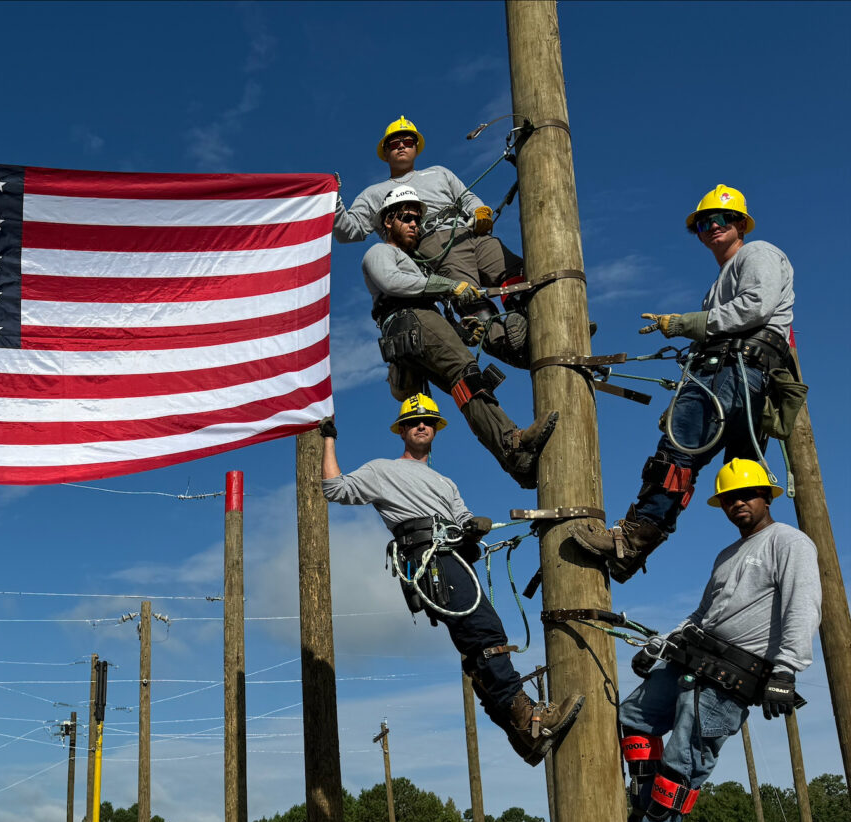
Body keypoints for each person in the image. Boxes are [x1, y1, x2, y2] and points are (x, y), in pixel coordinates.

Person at [585, 459, 821, 822]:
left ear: (767, 496)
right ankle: (643, 810)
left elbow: (802, 606)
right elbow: (704, 615)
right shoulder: (728, 554)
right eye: (729, 499)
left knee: (683, 764)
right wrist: (659, 648)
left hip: (730, 676)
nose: (738, 504)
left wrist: (786, 669)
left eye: (747, 495)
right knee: (632, 719)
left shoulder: (790, 543)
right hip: (690, 657)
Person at [322, 399, 583, 764]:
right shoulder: (381, 470)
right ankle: (529, 718)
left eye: (428, 421)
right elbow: (334, 489)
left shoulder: (446, 483)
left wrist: (474, 527)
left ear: (435, 429)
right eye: (413, 422)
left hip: (453, 559)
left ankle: (523, 735)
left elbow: (462, 519)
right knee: (485, 633)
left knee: (477, 646)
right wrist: (328, 441)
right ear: (401, 429)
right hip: (429, 561)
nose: (421, 426)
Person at [572, 184, 796, 580]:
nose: (712, 227)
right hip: (736, 375)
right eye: (704, 223)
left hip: (736, 369)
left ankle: (635, 538)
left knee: (678, 452)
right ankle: (756, 548)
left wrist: (684, 324)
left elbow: (755, 307)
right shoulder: (716, 285)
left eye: (722, 219)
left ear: (740, 223)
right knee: (740, 474)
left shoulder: (758, 253)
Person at [360, 186, 552, 486]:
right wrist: (449, 286)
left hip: (419, 325)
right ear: (388, 222)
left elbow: (425, 303)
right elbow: (393, 282)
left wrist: (461, 331)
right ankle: (512, 444)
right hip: (409, 318)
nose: (414, 224)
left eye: (417, 219)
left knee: (465, 385)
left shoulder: (417, 266)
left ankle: (516, 459)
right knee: (467, 375)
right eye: (406, 218)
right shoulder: (380, 252)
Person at [334, 115, 527, 369]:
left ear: (416, 147)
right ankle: (508, 344)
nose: (401, 146)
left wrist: (481, 211)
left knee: (516, 271)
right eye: (394, 143)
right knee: (469, 297)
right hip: (433, 245)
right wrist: (333, 202)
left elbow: (468, 200)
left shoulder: (440, 173)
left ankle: (534, 323)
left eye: (407, 141)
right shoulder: (374, 195)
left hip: (470, 233)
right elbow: (348, 232)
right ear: (385, 152)